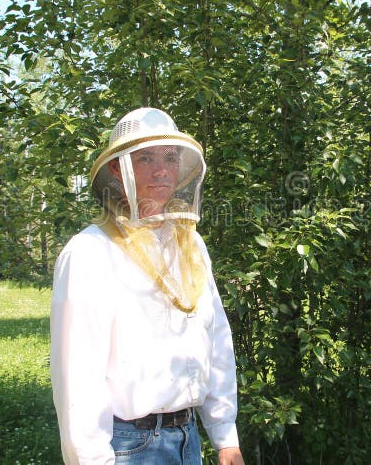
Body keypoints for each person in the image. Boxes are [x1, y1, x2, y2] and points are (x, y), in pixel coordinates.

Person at [50, 107, 245, 465]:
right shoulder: (91, 251)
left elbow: (216, 339)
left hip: (188, 440)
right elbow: (78, 377)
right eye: (145, 158)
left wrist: (224, 435)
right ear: (117, 169)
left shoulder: (190, 244)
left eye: (171, 158)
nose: (161, 170)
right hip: (127, 447)